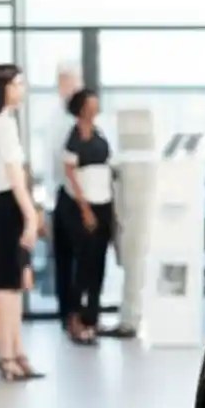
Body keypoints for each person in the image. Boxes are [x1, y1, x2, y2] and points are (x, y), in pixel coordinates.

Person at [0, 64, 44, 381]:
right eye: (18, 84)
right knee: (7, 285)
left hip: (0, 204)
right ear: (6, 88)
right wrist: (30, 215)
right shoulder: (5, 125)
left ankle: (16, 352)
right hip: (6, 204)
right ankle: (8, 356)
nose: (22, 90)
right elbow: (15, 177)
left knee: (9, 284)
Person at [58, 88, 115, 344]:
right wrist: (85, 209)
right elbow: (70, 173)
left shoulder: (100, 132)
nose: (96, 107)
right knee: (84, 264)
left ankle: (92, 317)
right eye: (91, 104)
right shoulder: (74, 136)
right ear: (81, 108)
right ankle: (76, 319)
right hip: (84, 206)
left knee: (99, 263)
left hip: (104, 203)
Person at [50, 63, 83, 330]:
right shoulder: (55, 121)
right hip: (63, 195)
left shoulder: (85, 120)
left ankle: (80, 314)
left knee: (82, 260)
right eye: (67, 83)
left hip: (83, 196)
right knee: (63, 260)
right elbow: (53, 163)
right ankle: (67, 315)